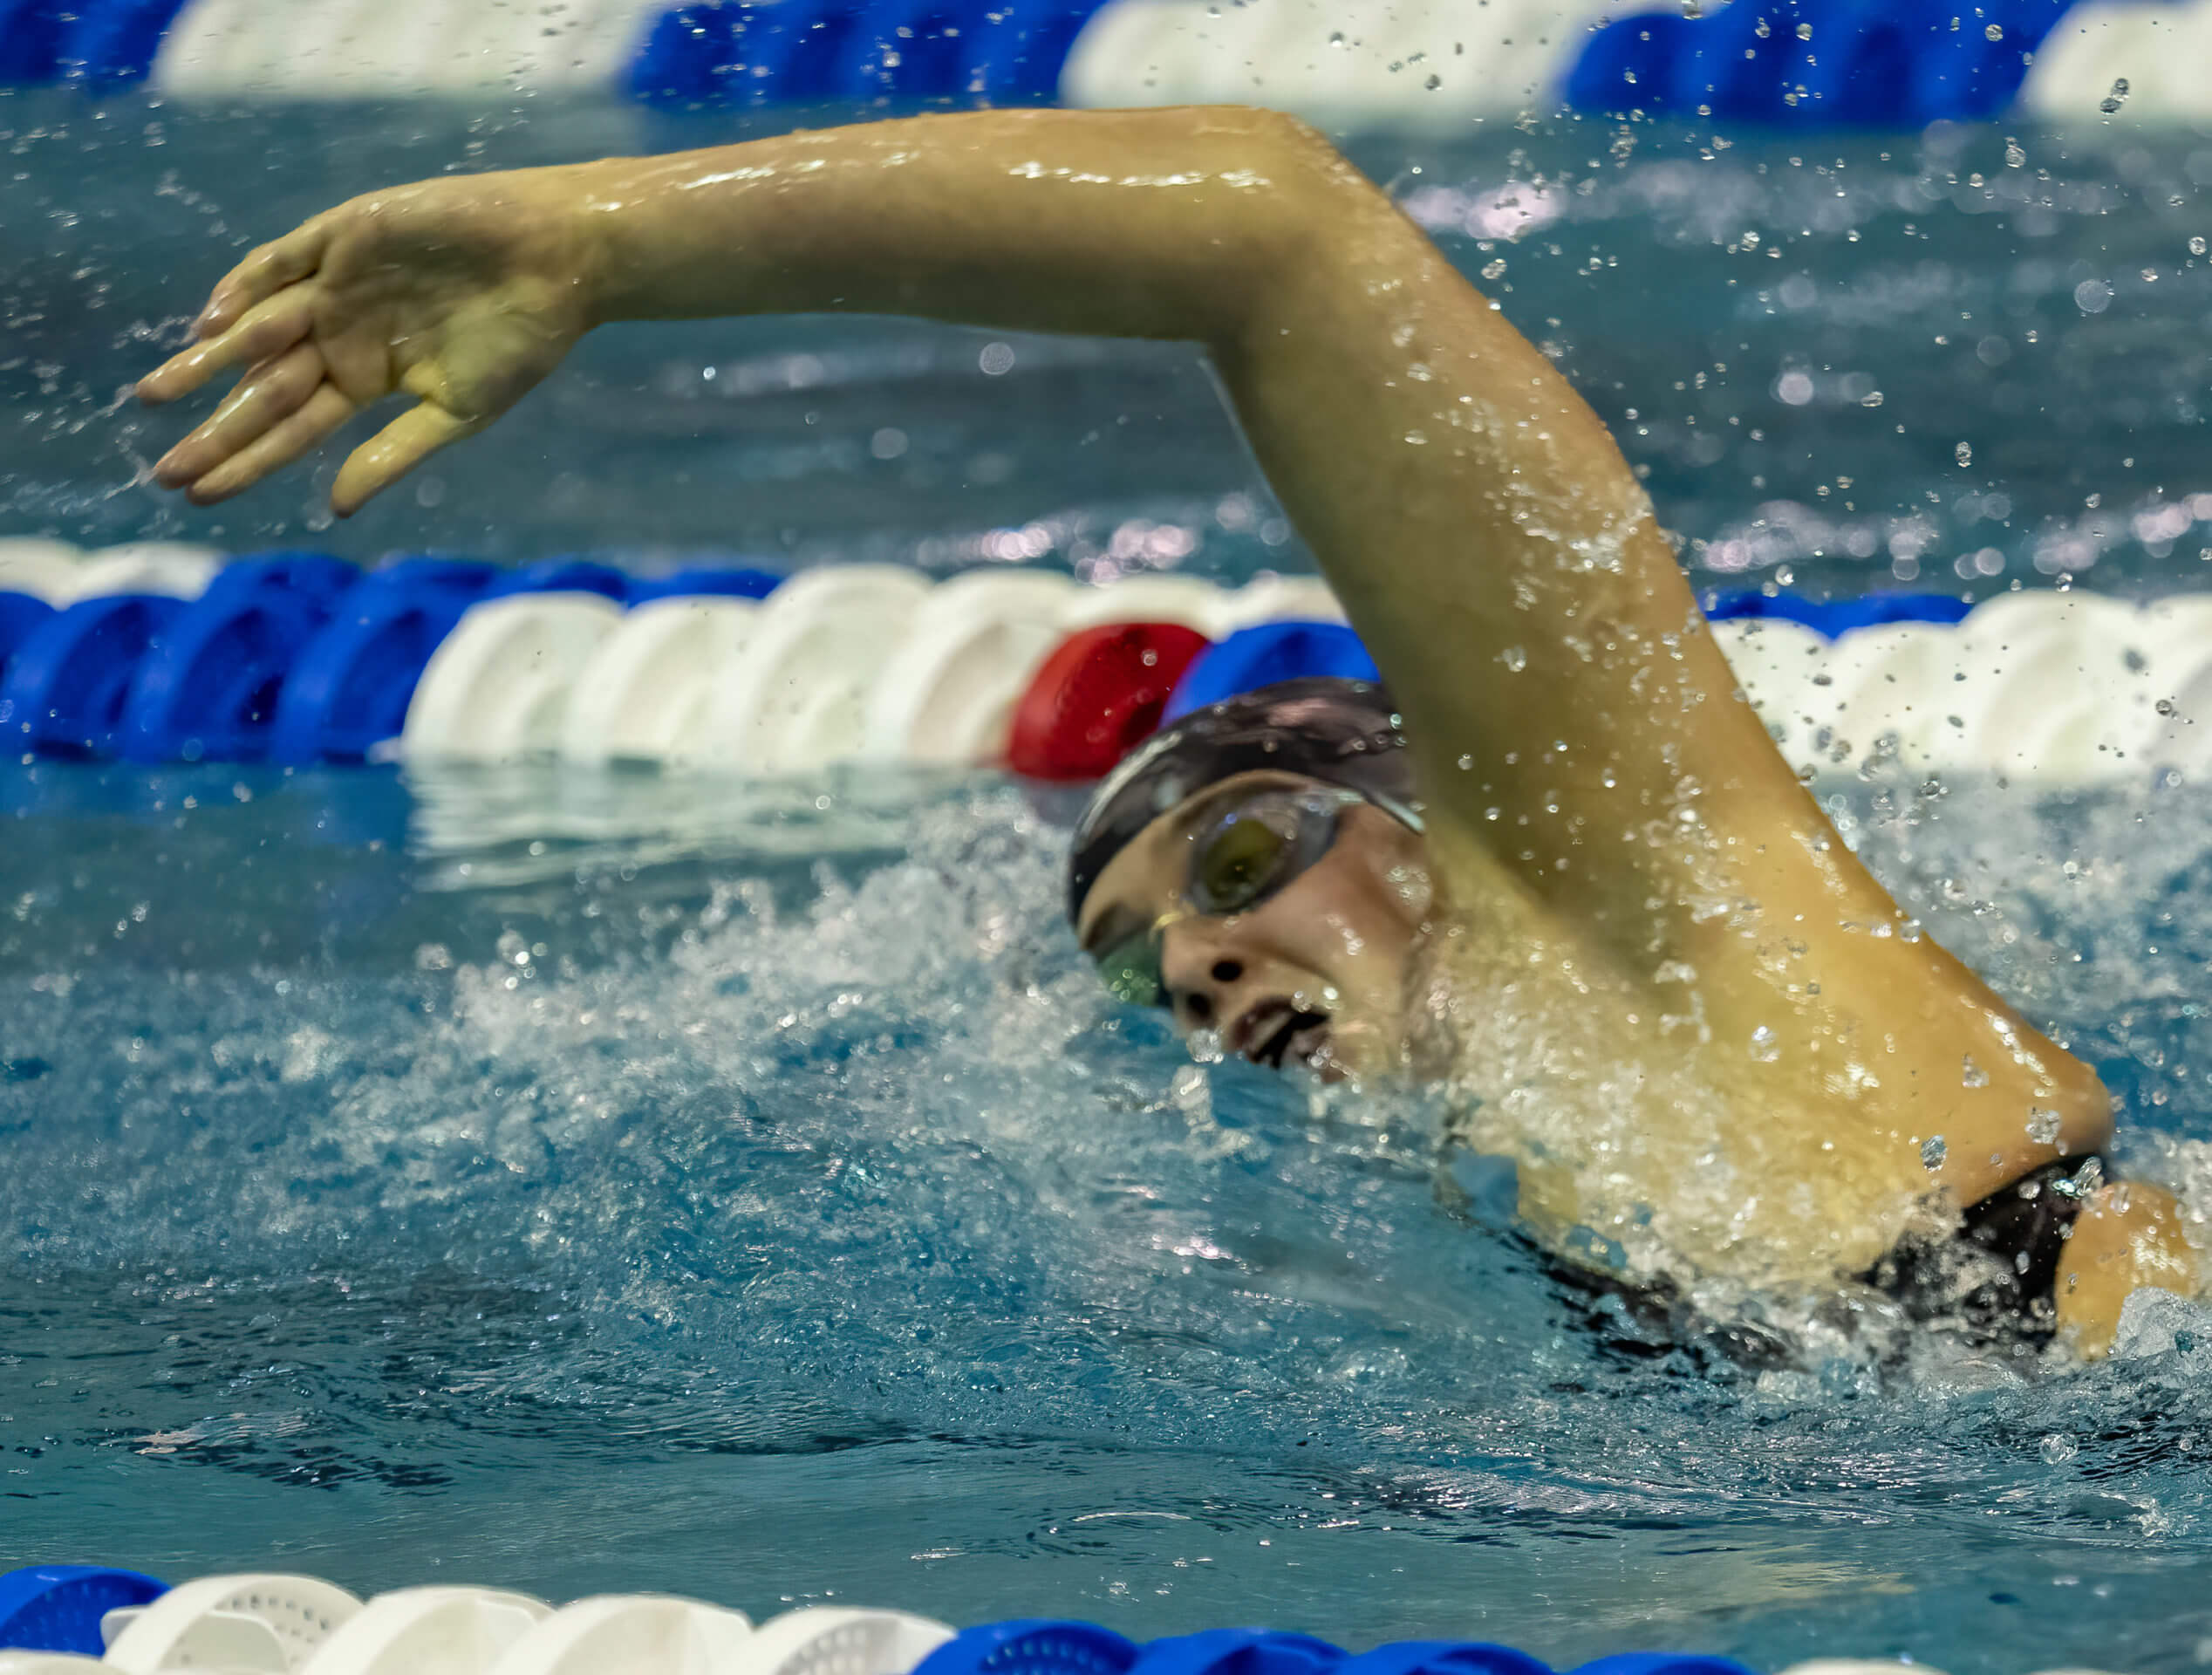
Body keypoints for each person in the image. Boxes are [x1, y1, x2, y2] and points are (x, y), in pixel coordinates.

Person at [135, 104, 2202, 1359]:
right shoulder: (1536, 1177)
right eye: (1142, 963)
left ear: (1420, 803)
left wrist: (613, 241)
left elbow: (1266, 220)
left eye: (1234, 865)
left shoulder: (1628, 884)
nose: (1197, 963)